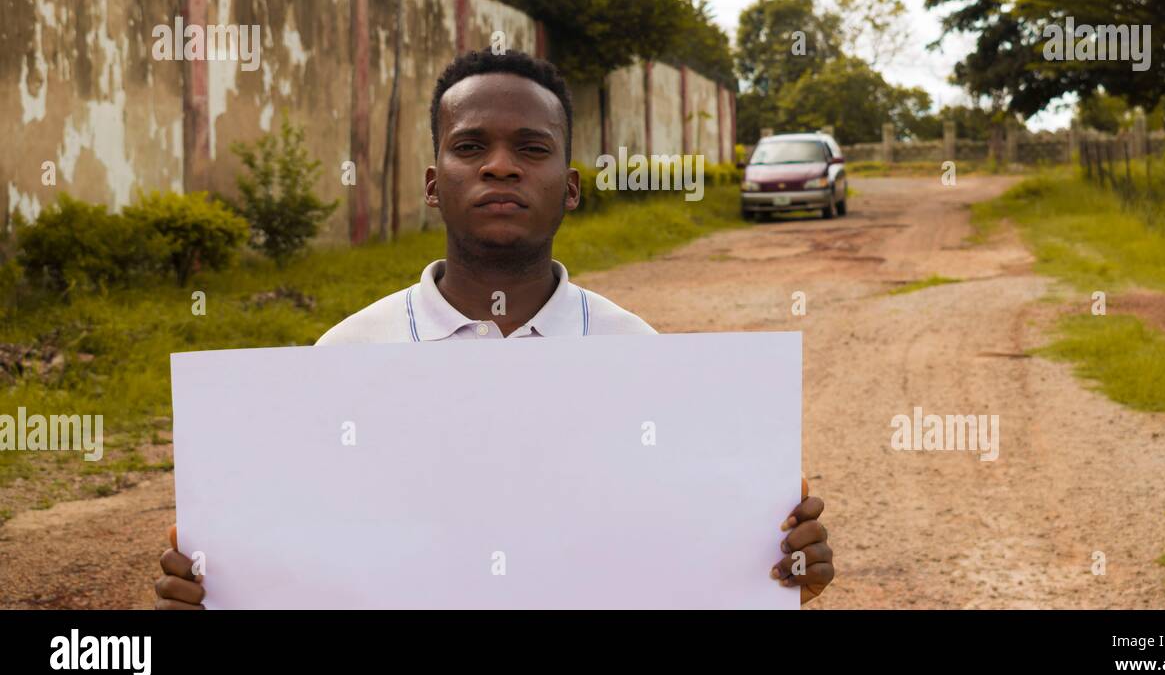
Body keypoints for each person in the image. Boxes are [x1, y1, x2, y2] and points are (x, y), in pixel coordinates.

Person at [155, 49, 834, 608]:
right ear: (432, 183)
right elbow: (302, 557)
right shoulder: (344, 359)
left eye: (530, 148)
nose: (500, 165)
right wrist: (218, 590)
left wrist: (770, 573)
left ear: (569, 187)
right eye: (470, 146)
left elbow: (680, 562)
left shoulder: (641, 362)